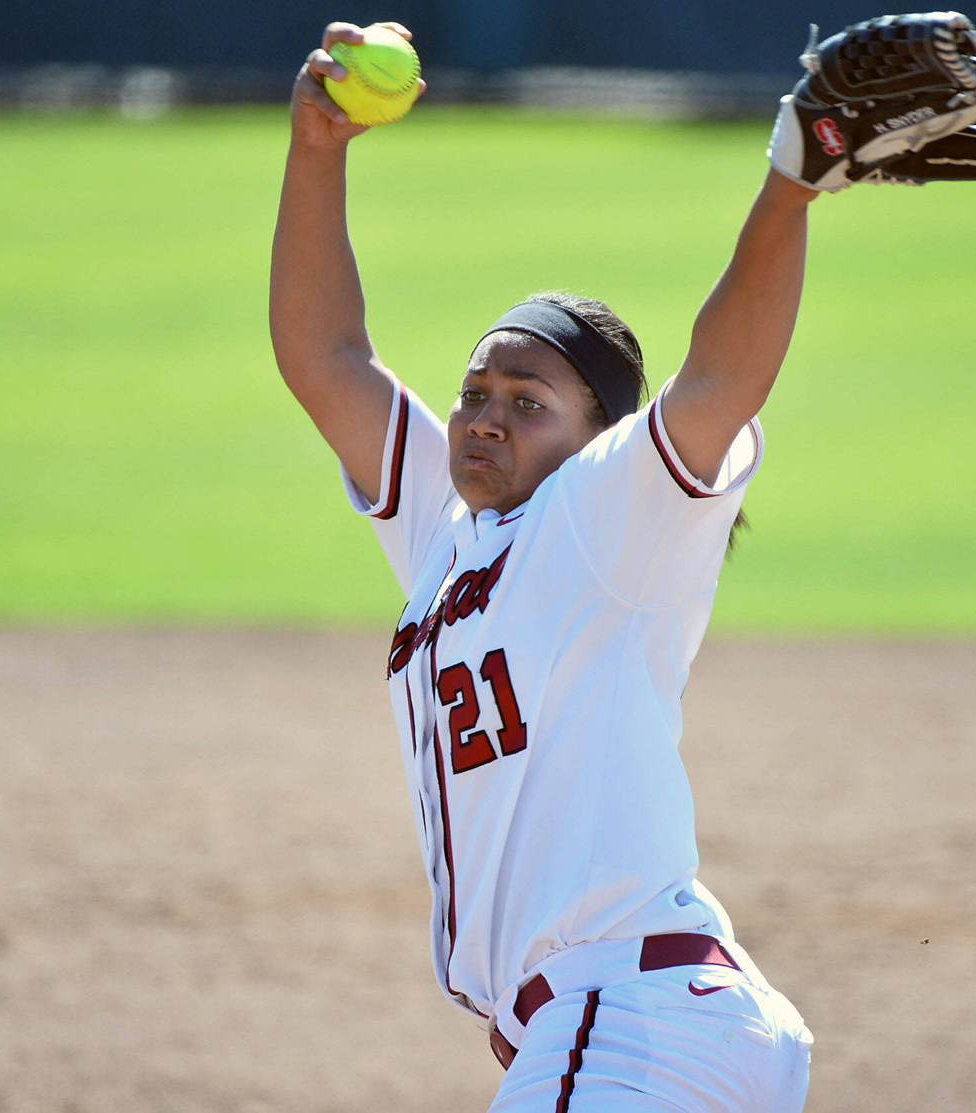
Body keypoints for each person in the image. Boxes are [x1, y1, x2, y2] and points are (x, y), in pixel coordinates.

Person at [269, 18, 857, 1110]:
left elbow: (719, 382)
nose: (486, 421)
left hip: (626, 1025)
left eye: (528, 404)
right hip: (645, 1029)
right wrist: (318, 150)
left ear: (596, 438)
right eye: (476, 395)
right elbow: (325, 357)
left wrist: (791, 185)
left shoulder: (601, 514)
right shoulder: (447, 535)